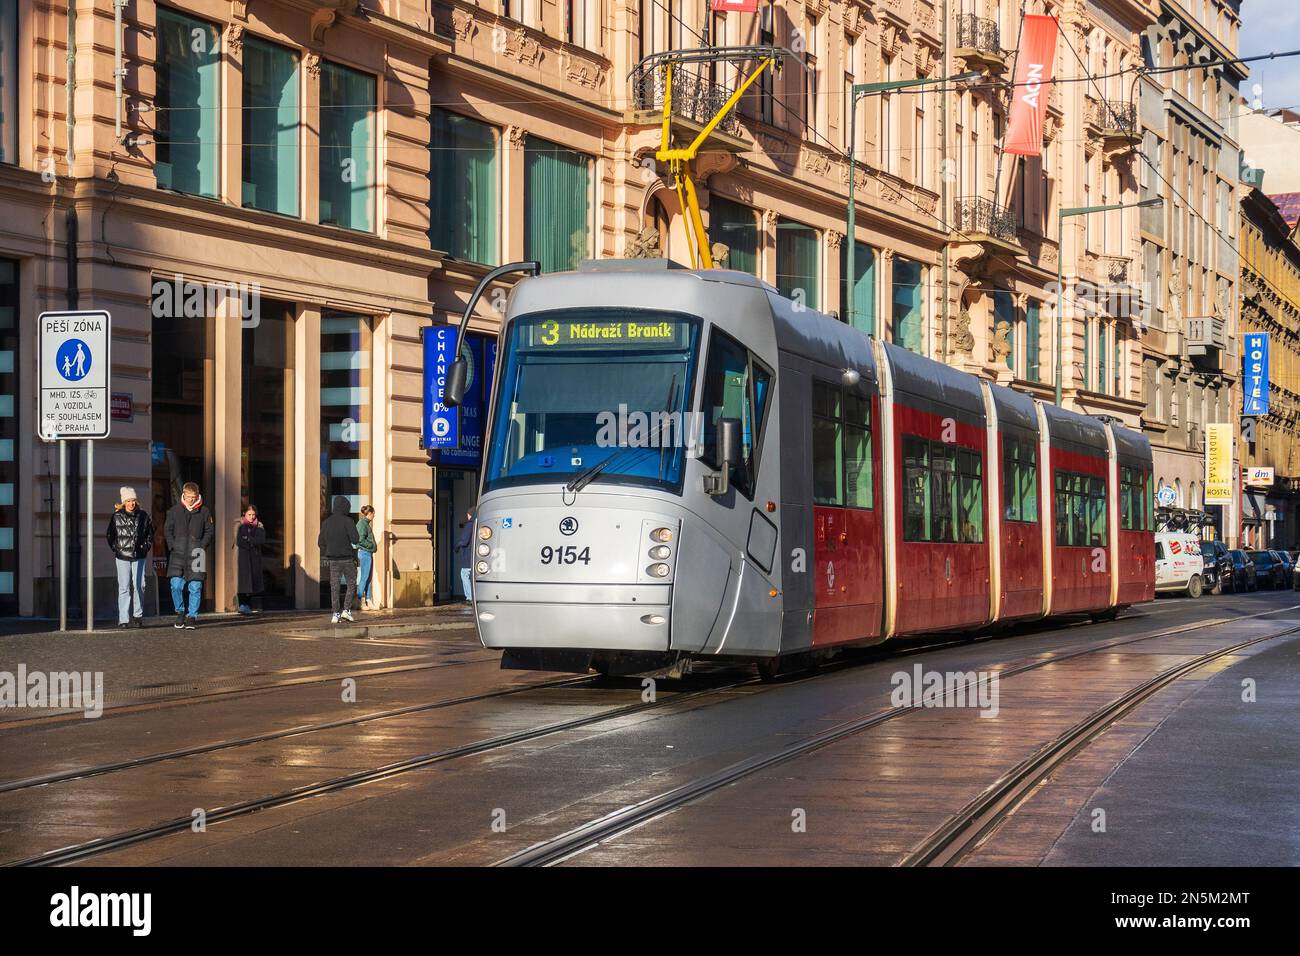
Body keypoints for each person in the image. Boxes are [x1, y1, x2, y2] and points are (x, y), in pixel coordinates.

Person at [164, 482, 214, 629]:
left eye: (194, 497)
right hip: (178, 553)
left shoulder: (204, 511)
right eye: (189, 497)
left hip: (197, 553)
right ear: (184, 495)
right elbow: (168, 530)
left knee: (196, 586)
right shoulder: (174, 511)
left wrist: (202, 545)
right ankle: (180, 612)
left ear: (198, 495)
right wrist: (173, 545)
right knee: (175, 586)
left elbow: (209, 531)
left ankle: (192, 616)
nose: (191, 499)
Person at [105, 487, 153, 628]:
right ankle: (123, 619)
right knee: (124, 587)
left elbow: (150, 534)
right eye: (128, 501)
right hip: (122, 556)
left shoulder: (143, 515)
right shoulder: (116, 516)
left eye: (133, 500)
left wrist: (145, 547)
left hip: (139, 555)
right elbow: (110, 535)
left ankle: (138, 616)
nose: (131, 503)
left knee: (140, 586)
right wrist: (117, 548)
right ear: (123, 502)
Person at [319, 495, 359, 624]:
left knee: (334, 587)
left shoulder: (326, 523)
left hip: (333, 560)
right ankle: (346, 610)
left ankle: (335, 614)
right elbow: (355, 539)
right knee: (352, 583)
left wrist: (328, 552)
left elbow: (320, 542)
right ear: (345, 507)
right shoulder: (348, 521)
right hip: (347, 558)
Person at [235, 505, 266, 615]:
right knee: (242, 581)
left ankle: (247, 605)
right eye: (249, 515)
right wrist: (251, 541)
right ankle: (242, 604)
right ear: (244, 514)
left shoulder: (259, 526)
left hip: (254, 557)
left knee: (252, 581)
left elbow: (261, 540)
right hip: (242, 557)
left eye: (253, 515)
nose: (252, 517)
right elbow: (239, 541)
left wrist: (248, 539)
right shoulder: (239, 525)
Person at [356, 505, 378, 611]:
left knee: (368, 579)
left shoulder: (365, 524)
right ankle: (360, 601)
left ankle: (368, 600)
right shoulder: (362, 524)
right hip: (365, 553)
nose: (374, 515)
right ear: (369, 513)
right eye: (373, 513)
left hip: (367, 554)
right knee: (364, 578)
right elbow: (360, 540)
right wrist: (371, 545)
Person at [455, 507, 476, 602]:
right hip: (474, 555)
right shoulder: (477, 524)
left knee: (464, 574)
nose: (466, 515)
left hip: (468, 555)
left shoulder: (470, 525)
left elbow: (464, 540)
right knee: (470, 575)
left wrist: (457, 546)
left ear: (470, 514)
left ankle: (470, 597)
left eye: (467, 514)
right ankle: (472, 596)